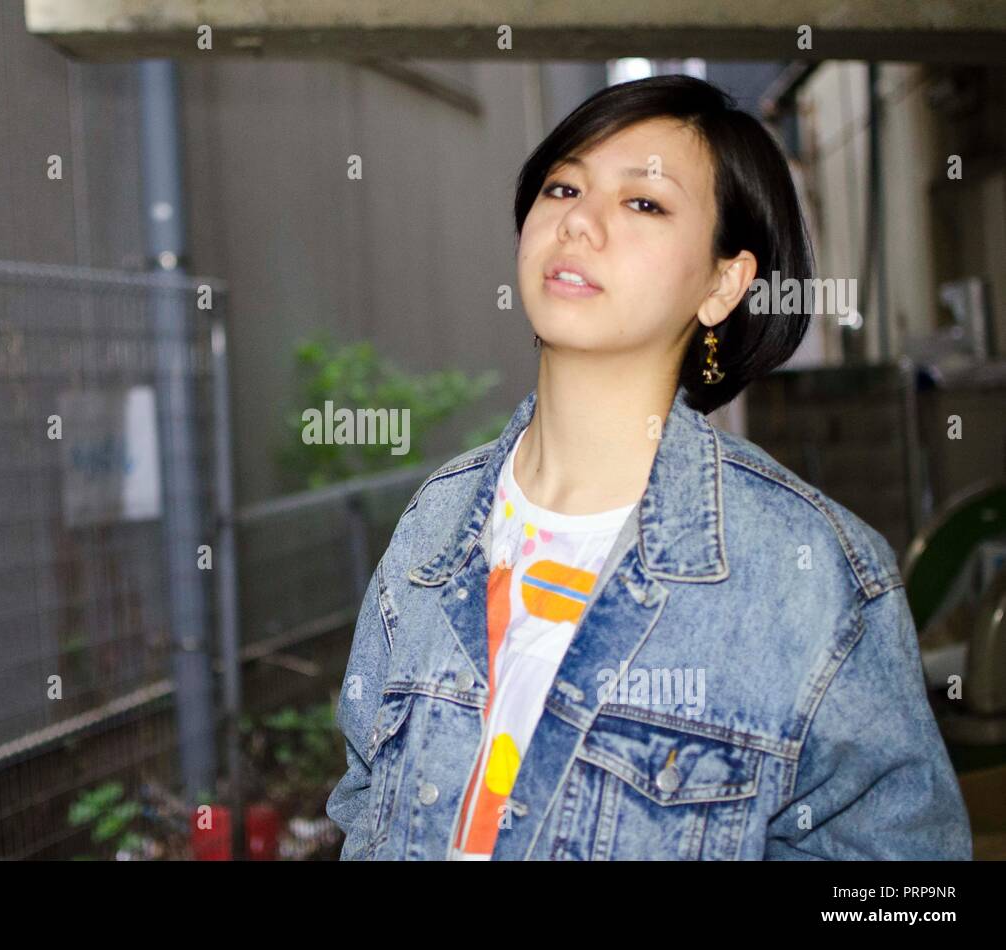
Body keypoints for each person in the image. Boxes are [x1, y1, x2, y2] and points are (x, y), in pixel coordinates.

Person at [325, 74, 973, 860]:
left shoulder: (811, 578)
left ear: (723, 283)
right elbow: (364, 810)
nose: (579, 223)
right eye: (563, 186)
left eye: (644, 203)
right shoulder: (434, 526)